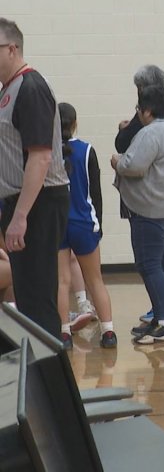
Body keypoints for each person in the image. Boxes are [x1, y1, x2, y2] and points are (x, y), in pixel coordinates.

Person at [0, 17, 70, 339]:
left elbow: (40, 157)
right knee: (28, 297)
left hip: (38, 203)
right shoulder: (10, 89)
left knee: (38, 298)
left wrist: (21, 215)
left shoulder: (31, 87)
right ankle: (38, 379)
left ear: (12, 48)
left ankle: (52, 382)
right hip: (21, 202)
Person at [113, 86, 164, 344]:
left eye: (139, 110)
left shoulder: (151, 132)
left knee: (150, 265)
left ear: (147, 110)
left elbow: (133, 166)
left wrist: (117, 161)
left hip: (153, 212)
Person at [57, 103, 116, 350]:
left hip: (58, 222)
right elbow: (96, 193)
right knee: (95, 280)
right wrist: (98, 225)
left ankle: (64, 335)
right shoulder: (87, 149)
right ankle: (108, 332)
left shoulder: (45, 152)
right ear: (75, 123)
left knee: (61, 281)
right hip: (84, 222)